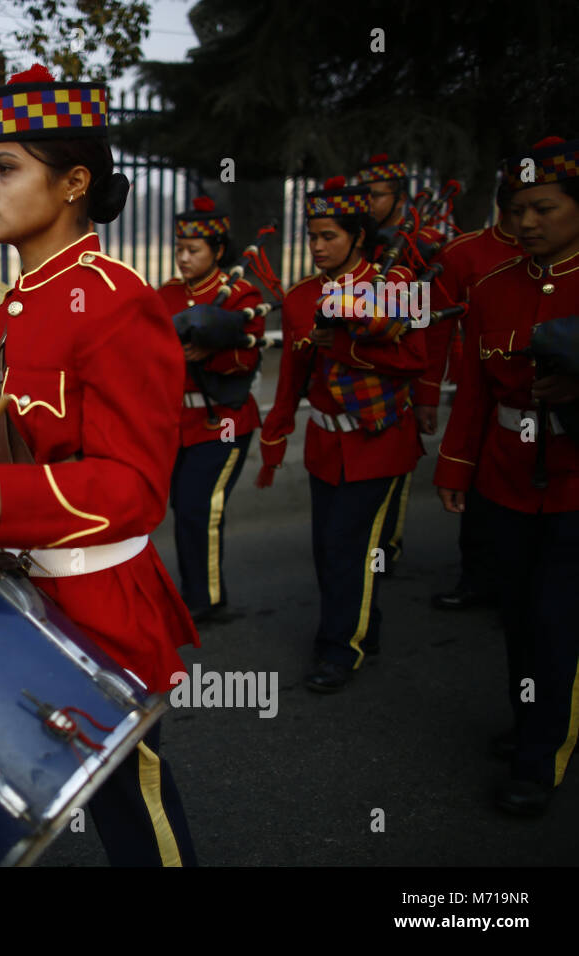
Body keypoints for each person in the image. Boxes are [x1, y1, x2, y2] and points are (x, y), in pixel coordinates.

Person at [0, 64, 199, 866]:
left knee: (135, 810)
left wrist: (5, 490)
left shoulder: (115, 298)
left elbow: (138, 487)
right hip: (28, 598)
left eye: (6, 168)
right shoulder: (16, 305)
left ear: (74, 182)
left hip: (99, 600)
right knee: (65, 794)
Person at [434, 136, 579, 816]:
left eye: (544, 208)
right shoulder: (492, 288)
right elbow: (473, 391)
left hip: (575, 483)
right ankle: (532, 722)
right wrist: (456, 465)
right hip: (505, 477)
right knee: (517, 619)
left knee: (556, 622)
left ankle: (541, 754)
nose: (526, 223)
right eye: (517, 209)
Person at [256, 177, 427, 692]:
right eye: (312, 236)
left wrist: (347, 347)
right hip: (326, 445)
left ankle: (338, 650)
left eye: (329, 236)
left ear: (358, 236)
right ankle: (362, 627)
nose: (317, 246)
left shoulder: (397, 288)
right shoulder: (302, 298)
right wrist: (275, 437)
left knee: (345, 547)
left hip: (380, 442)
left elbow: (416, 360)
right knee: (327, 549)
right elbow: (291, 377)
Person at [157, 197, 264, 623]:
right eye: (179, 248)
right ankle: (194, 593)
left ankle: (205, 600)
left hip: (222, 421)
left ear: (219, 251)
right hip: (176, 423)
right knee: (182, 506)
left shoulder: (242, 295)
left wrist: (211, 353)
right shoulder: (165, 294)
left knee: (199, 504)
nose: (183, 258)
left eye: (194, 250)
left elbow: (247, 360)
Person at [424, 182, 521, 611]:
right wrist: (427, 393)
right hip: (482, 396)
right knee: (478, 493)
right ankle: (475, 578)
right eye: (522, 208)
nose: (531, 222)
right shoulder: (464, 254)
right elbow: (436, 328)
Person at [356, 154, 448, 554]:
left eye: (375, 196)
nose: (368, 204)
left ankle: (385, 545)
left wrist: (428, 392)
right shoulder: (359, 236)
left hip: (400, 368)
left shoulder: (418, 245)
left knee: (394, 461)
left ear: (398, 197)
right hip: (357, 374)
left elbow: (427, 323)